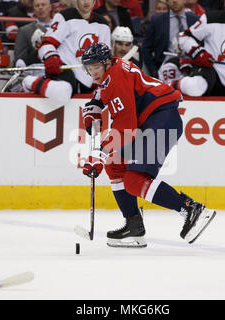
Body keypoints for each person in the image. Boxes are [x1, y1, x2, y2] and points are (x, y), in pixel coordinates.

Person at [80, 42, 216, 248]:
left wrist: (100, 153)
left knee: (134, 180)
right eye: (89, 68)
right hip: (151, 120)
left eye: (96, 67)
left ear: (107, 62)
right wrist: (96, 105)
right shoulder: (113, 70)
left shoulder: (116, 78)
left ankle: (190, 209)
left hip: (161, 119)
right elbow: (106, 90)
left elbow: (126, 128)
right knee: (115, 165)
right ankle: (133, 225)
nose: (93, 73)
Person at [21, 0, 111, 102]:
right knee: (63, 93)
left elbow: (105, 55)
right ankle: (28, 82)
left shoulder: (103, 24)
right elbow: (47, 43)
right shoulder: (65, 16)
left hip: (89, 77)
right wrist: (51, 57)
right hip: (66, 69)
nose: (86, 2)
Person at [141, 0, 199, 76]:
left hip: (191, 69)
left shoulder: (195, 20)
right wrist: (154, 70)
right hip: (164, 69)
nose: (174, 1)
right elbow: (146, 48)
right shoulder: (157, 21)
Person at [14, 0, 52, 65]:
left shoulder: (60, 28)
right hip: (34, 71)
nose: (40, 8)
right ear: (34, 9)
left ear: (50, 7)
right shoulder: (24, 30)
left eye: (43, 5)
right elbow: (19, 58)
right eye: (37, 6)